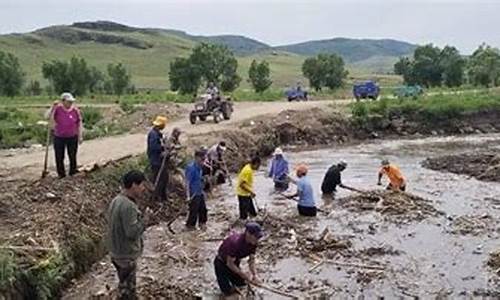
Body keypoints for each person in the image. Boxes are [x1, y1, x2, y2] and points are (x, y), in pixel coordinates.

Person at [107, 170, 149, 300]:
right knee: (128, 292)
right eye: (142, 185)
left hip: (116, 253)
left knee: (124, 285)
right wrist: (145, 220)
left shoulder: (116, 200)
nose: (144, 189)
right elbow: (131, 233)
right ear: (133, 185)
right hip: (126, 256)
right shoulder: (129, 206)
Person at [214, 222, 263, 298]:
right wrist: (243, 274)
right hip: (221, 263)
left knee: (242, 284)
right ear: (248, 234)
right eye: (256, 237)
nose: (257, 240)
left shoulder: (253, 243)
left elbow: (251, 260)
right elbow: (229, 263)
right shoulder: (235, 243)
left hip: (235, 261)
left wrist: (254, 275)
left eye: (258, 237)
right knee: (228, 292)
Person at [50, 92, 83, 178]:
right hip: (59, 137)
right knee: (59, 156)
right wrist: (52, 108)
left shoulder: (75, 110)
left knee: (72, 155)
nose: (70, 103)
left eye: (71, 102)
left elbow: (79, 124)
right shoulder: (57, 109)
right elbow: (47, 116)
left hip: (72, 137)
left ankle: (72, 172)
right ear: (63, 101)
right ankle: (61, 174)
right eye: (68, 101)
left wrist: (80, 136)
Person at [147, 116, 168, 202]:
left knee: (165, 178)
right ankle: (157, 199)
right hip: (156, 161)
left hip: (159, 160)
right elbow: (153, 147)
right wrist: (162, 147)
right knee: (159, 180)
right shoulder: (153, 134)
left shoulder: (157, 133)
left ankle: (163, 197)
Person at [185, 149, 208, 230]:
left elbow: (199, 178)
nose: (203, 161)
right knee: (194, 210)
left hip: (200, 191)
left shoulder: (200, 167)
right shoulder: (191, 168)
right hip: (193, 193)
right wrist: (188, 196)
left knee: (203, 209)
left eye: (204, 159)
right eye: (202, 159)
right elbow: (187, 182)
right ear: (196, 158)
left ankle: (202, 223)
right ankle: (190, 225)